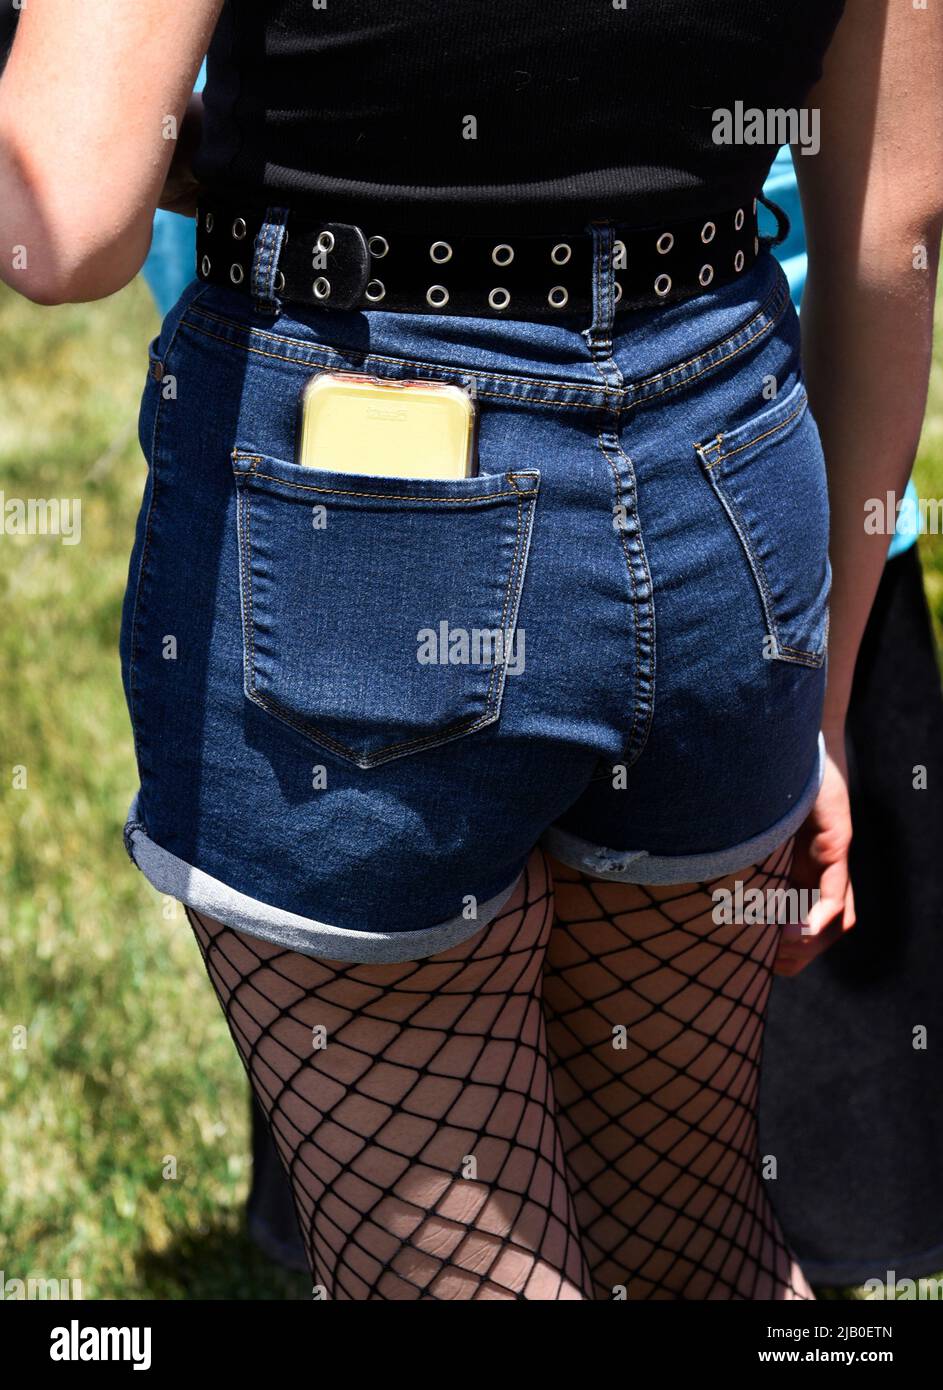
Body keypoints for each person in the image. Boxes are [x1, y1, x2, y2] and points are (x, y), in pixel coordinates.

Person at [2, 1, 941, 1300]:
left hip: (358, 499)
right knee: (694, 1239)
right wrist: (825, 704)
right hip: (727, 486)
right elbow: (889, 235)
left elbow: (62, 220)